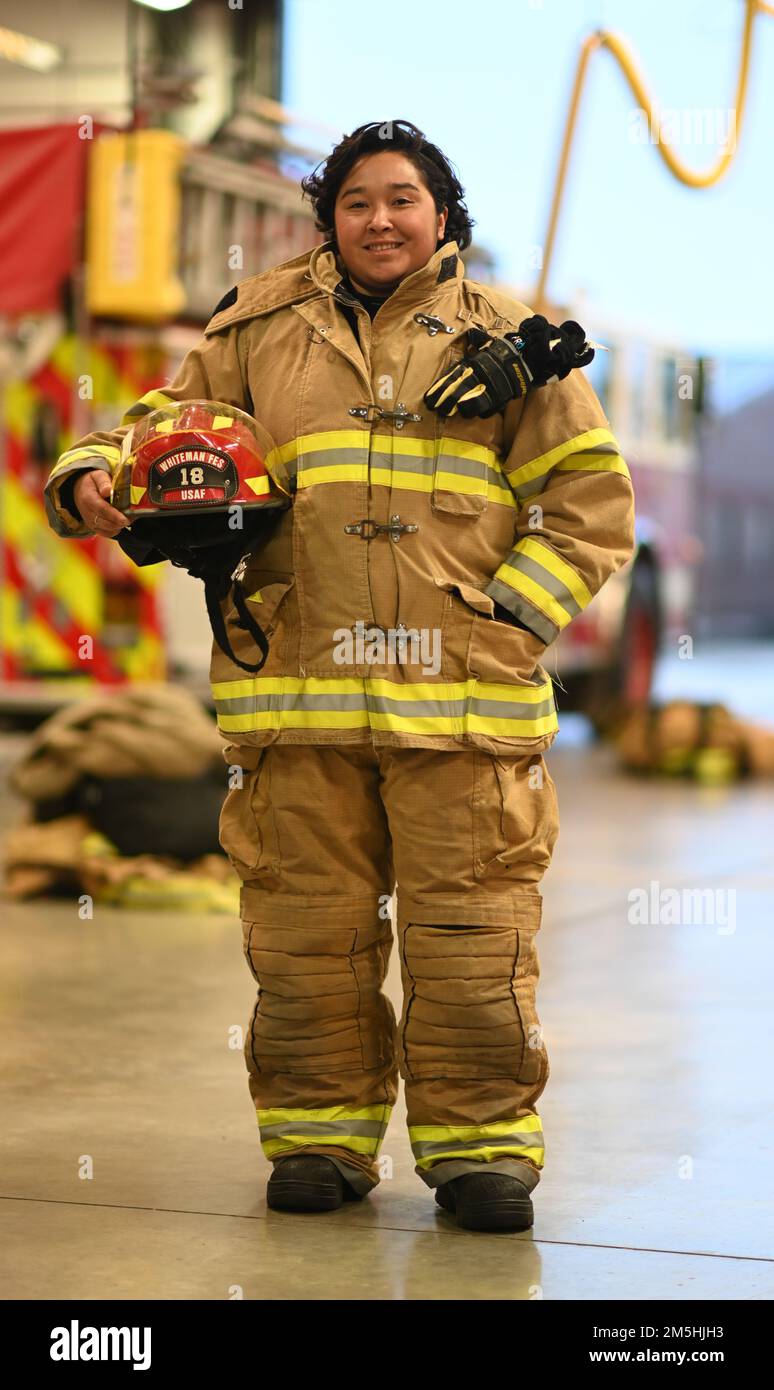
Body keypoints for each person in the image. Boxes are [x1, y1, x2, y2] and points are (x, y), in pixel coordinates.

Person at [44, 119, 635, 1233]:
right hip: (296, 704)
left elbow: (591, 507)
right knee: (307, 936)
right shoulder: (258, 327)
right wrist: (90, 478)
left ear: (443, 216)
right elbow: (152, 433)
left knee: (472, 937)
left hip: (465, 707)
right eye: (357, 201)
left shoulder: (514, 342)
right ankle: (317, 1140)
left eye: (403, 199)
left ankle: (481, 1155)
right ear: (330, 219)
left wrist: (507, 620)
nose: (380, 220)